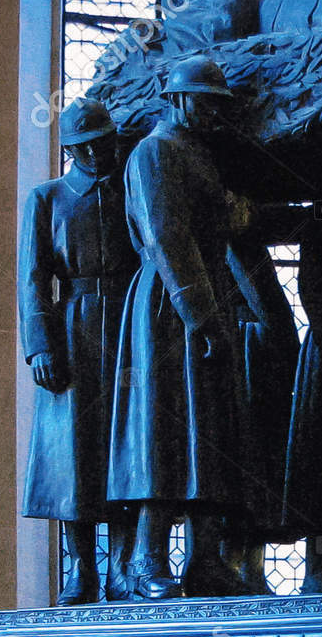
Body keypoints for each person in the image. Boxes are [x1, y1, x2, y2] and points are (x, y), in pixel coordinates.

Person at [109, 56, 255, 598]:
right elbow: (166, 237)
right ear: (176, 98)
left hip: (205, 297)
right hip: (169, 304)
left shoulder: (197, 153)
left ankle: (205, 559)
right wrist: (200, 314)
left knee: (207, 430)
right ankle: (147, 560)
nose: (214, 112)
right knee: (162, 427)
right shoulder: (155, 151)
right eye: (205, 101)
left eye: (219, 104)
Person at [17, 98, 138, 604]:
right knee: (74, 452)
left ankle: (125, 567)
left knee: (128, 445)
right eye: (81, 146)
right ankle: (81, 569)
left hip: (131, 323)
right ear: (68, 149)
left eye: (101, 142)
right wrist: (40, 347)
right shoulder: (47, 198)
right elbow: (32, 278)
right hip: (74, 328)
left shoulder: (133, 189)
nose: (93, 154)